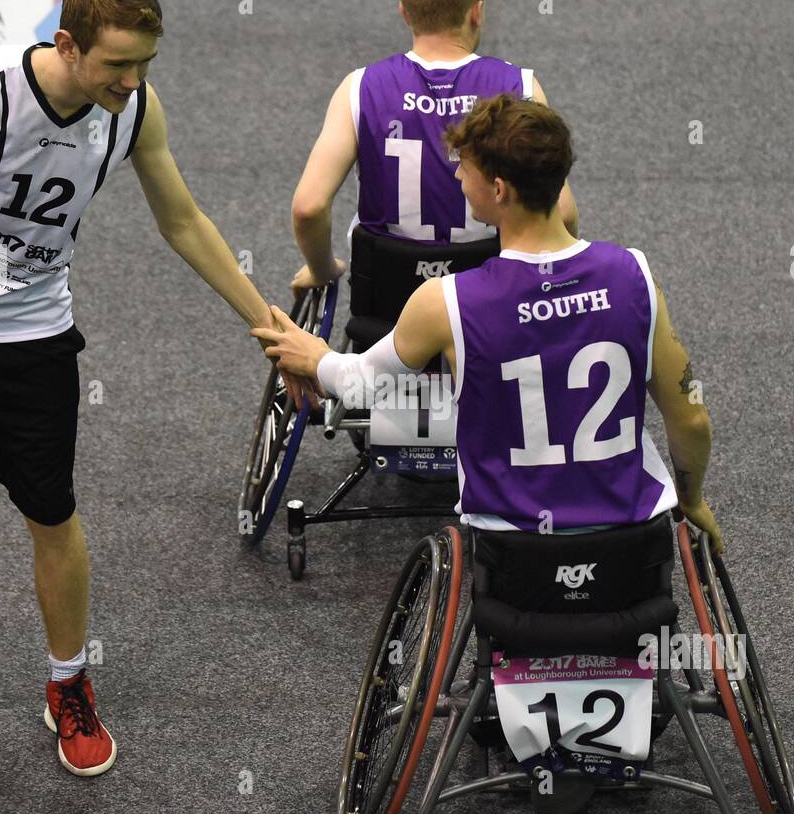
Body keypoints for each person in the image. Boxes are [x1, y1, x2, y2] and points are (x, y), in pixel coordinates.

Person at [0, 0, 308, 777]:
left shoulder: (128, 113)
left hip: (35, 339)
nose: (134, 82)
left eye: (146, 65)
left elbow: (185, 222)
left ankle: (67, 683)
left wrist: (269, 329)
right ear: (67, 45)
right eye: (119, 65)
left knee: (53, 513)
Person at [255, 94, 723, 552]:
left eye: (464, 166)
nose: (456, 173)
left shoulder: (446, 300)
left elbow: (360, 387)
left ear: (499, 190)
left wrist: (316, 358)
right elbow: (691, 420)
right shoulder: (634, 274)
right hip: (631, 548)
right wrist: (691, 498)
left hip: (513, 553)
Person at [289, 0, 577, 300]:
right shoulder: (518, 87)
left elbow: (308, 208)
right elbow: (562, 215)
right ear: (477, 12)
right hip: (490, 305)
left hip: (387, 306)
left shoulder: (359, 88)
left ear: (406, 13)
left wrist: (322, 270)